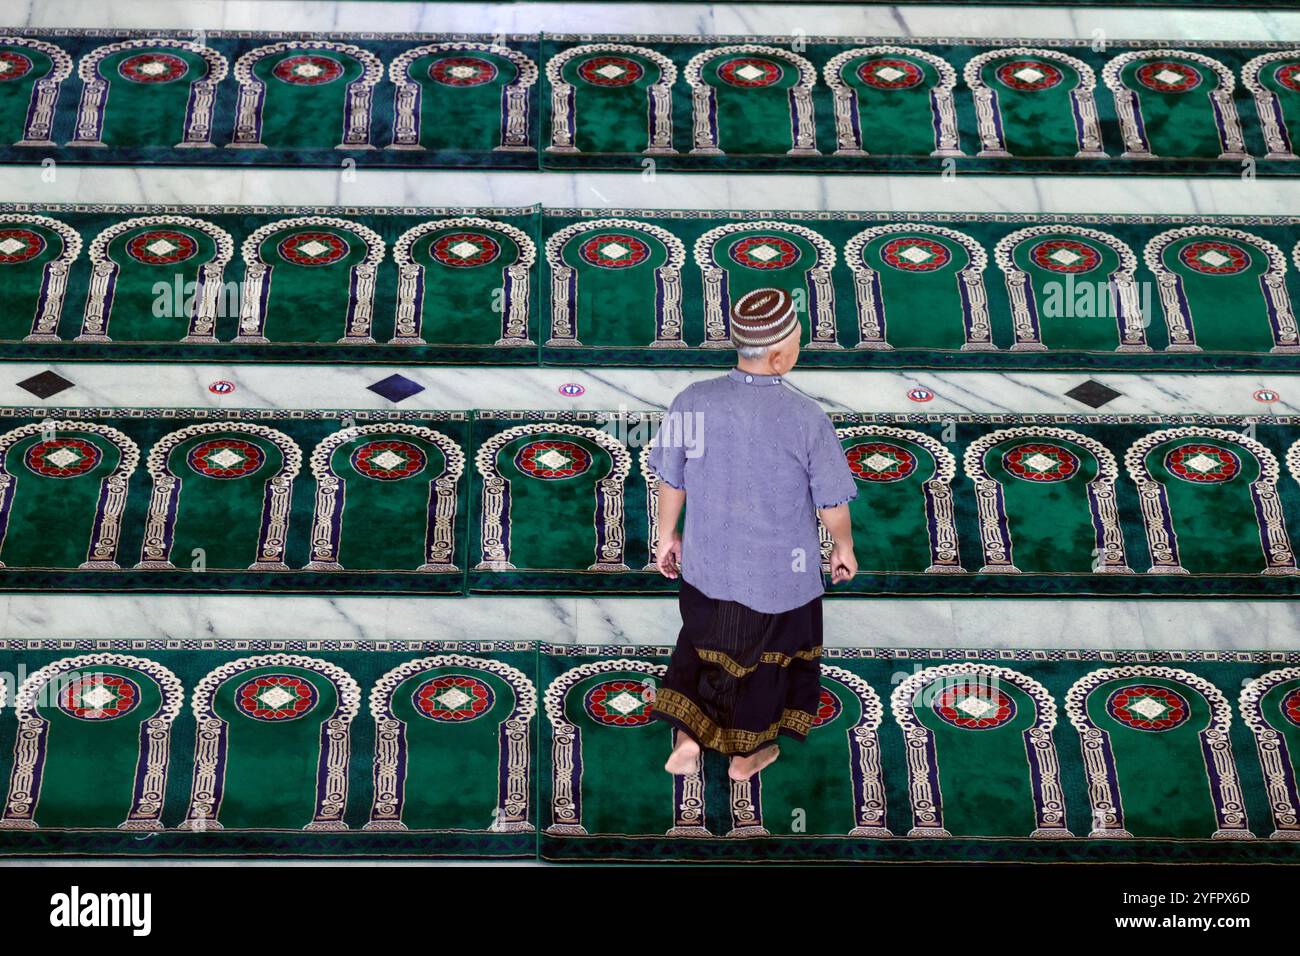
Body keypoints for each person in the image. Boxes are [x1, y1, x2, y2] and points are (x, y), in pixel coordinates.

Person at [646, 286, 858, 782]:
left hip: (707, 566)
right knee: (769, 666)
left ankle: (688, 739)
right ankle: (748, 755)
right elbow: (831, 502)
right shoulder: (808, 419)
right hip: (782, 582)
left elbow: (670, 479)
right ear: (782, 356)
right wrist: (842, 546)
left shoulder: (692, 400)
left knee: (701, 645)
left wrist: (666, 535)